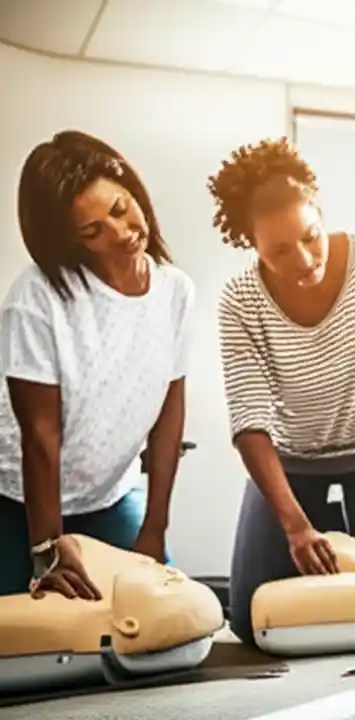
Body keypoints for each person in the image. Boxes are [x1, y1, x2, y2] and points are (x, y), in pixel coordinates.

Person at [208, 137, 355, 644]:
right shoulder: (239, 299)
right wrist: (293, 524)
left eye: (311, 235)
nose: (304, 258)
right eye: (279, 250)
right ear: (252, 245)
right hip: (293, 458)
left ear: (320, 210)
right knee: (247, 620)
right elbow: (249, 421)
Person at [0, 130, 193, 598]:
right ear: (70, 240)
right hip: (15, 500)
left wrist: (155, 526)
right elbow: (40, 437)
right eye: (93, 231)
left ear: (132, 189)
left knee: (165, 609)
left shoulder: (174, 290)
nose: (122, 233)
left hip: (109, 496)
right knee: (33, 630)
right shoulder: (37, 298)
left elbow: (169, 413)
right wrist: (45, 549)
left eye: (121, 209)